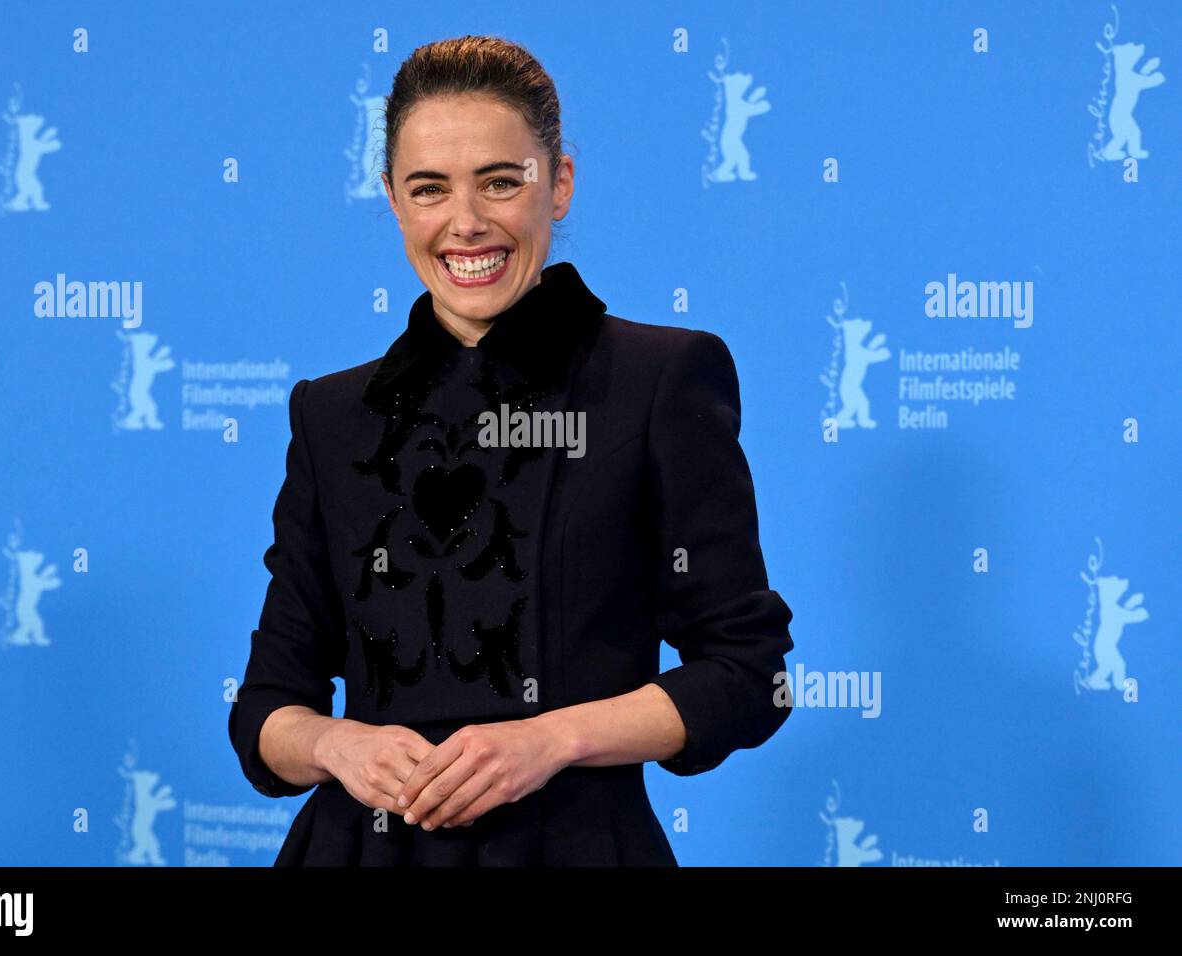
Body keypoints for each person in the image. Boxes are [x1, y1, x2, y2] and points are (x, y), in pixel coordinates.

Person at [227, 34, 795, 866]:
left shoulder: (658, 380)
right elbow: (267, 709)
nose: (466, 223)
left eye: (500, 181)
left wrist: (551, 740)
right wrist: (338, 746)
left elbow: (749, 675)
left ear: (558, 184)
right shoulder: (332, 413)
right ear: (392, 200)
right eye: (430, 188)